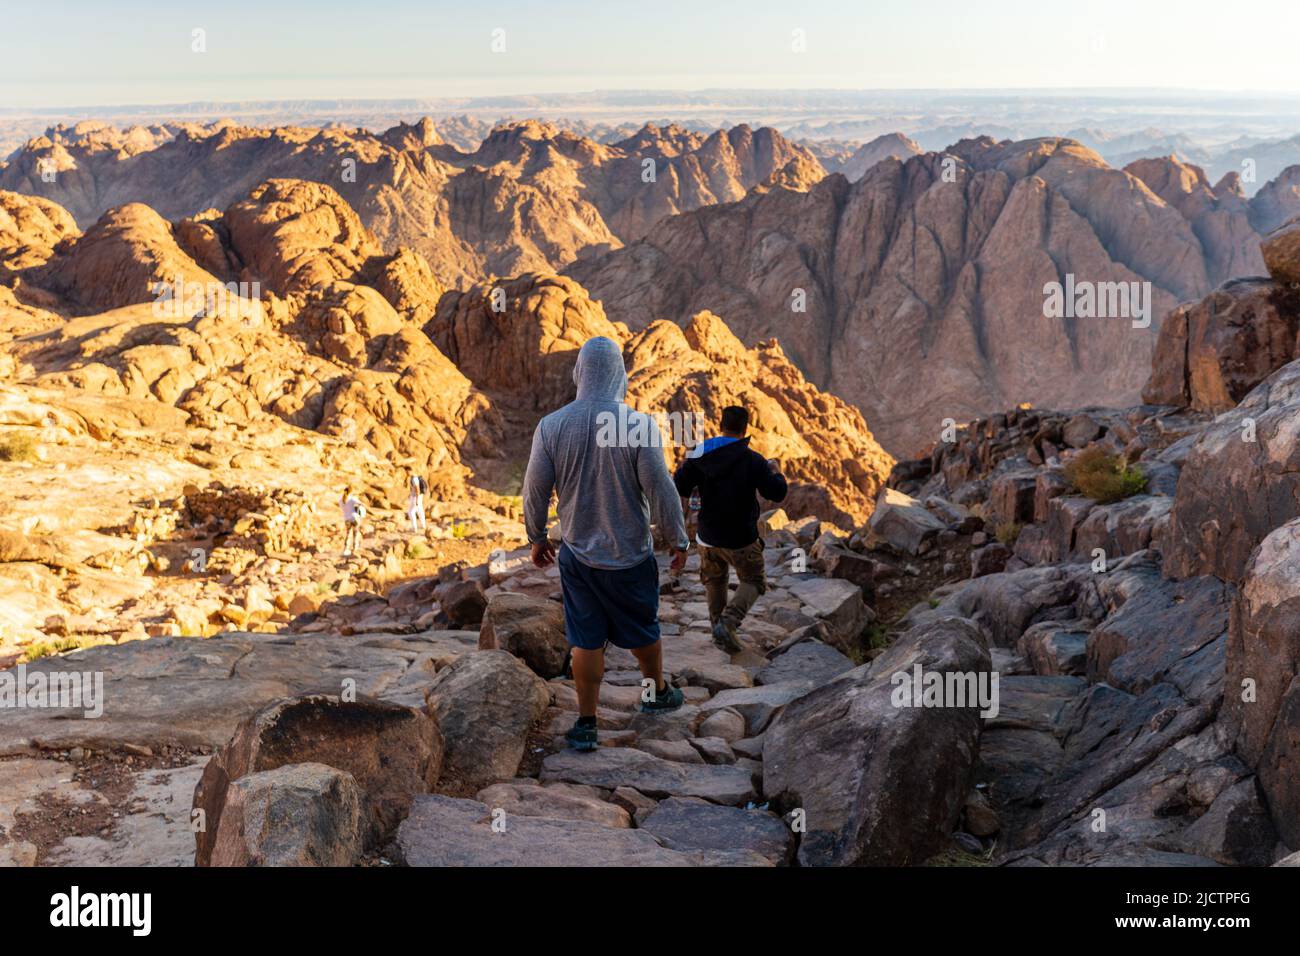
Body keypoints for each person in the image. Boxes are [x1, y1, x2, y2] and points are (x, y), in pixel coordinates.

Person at [524, 336, 690, 752]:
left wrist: (537, 537)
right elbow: (661, 489)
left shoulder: (552, 425)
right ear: (620, 375)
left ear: (580, 373)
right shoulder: (637, 425)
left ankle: (586, 722)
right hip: (631, 555)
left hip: (578, 555)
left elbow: (535, 490)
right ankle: (655, 695)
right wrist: (678, 539)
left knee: (585, 638)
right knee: (644, 627)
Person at [673, 405, 788, 653]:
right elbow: (776, 493)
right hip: (741, 537)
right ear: (745, 429)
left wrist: (688, 465)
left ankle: (718, 630)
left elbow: (680, 486)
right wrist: (776, 472)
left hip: (707, 537)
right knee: (754, 581)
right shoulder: (753, 460)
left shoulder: (700, 455)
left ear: (720, 425)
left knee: (714, 581)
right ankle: (728, 622)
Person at [340, 485, 365, 556]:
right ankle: (355, 549)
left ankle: (346, 549)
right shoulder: (352, 498)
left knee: (348, 533)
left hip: (346, 518)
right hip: (355, 518)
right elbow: (361, 504)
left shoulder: (341, 499)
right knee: (356, 533)